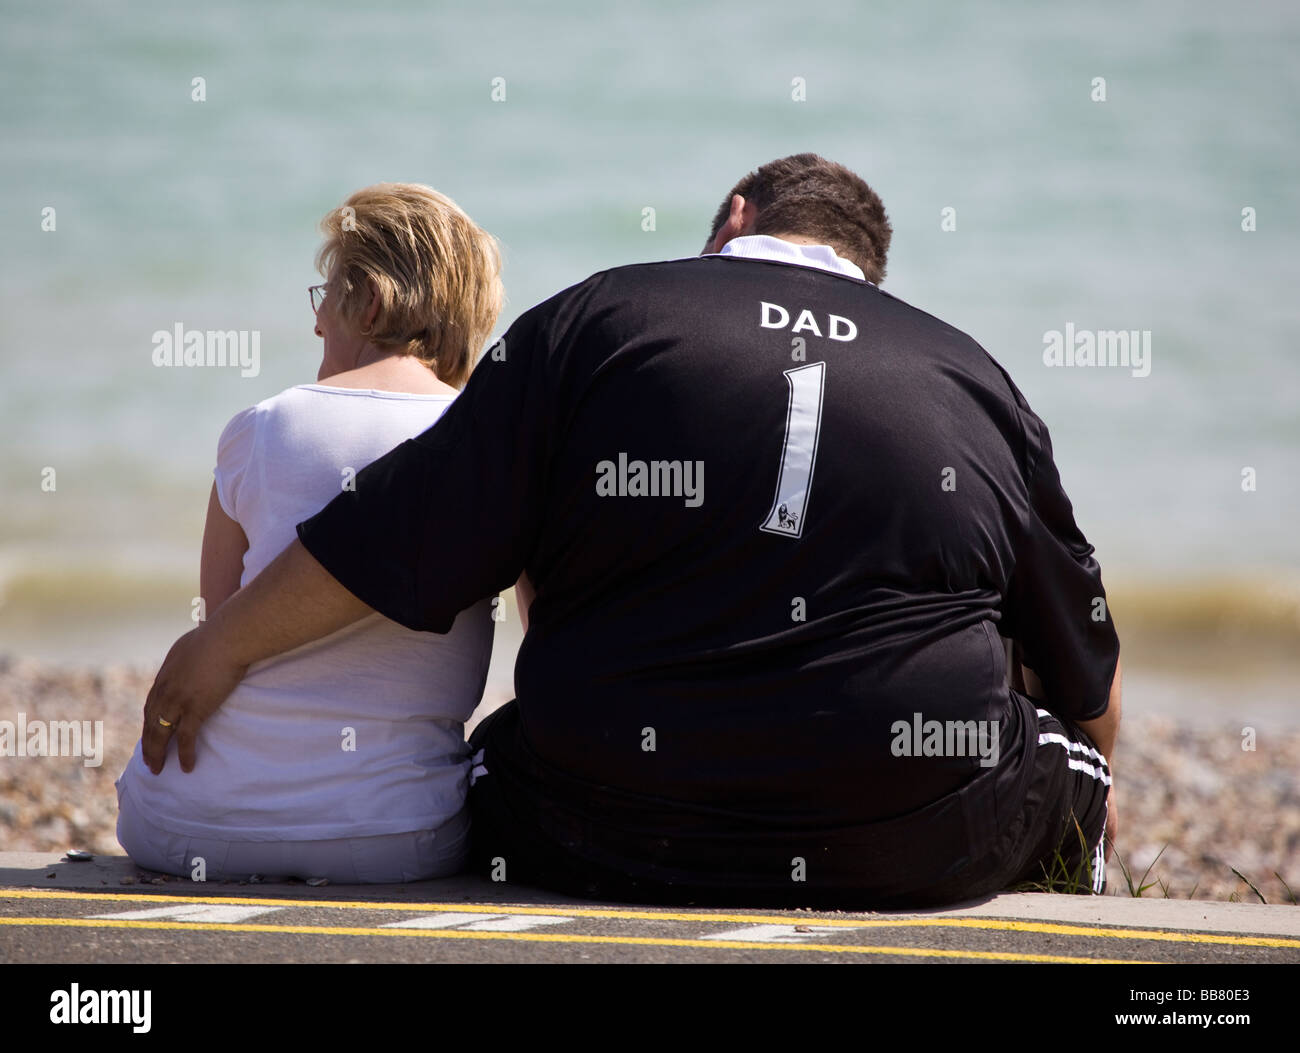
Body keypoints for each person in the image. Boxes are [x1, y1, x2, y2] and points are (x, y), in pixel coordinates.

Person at [138, 154, 1121, 908]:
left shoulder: (599, 317)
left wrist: (220, 644)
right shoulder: (974, 378)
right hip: (909, 837)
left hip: (599, 823)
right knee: (1067, 759)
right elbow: (1084, 670)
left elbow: (407, 527)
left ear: (733, 221)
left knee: (483, 761)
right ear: (867, 271)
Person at [117, 183, 504, 883]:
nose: (318, 324)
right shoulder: (489, 443)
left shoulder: (259, 429)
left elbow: (219, 625)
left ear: (372, 303)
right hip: (397, 835)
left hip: (186, 825)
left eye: (325, 297)